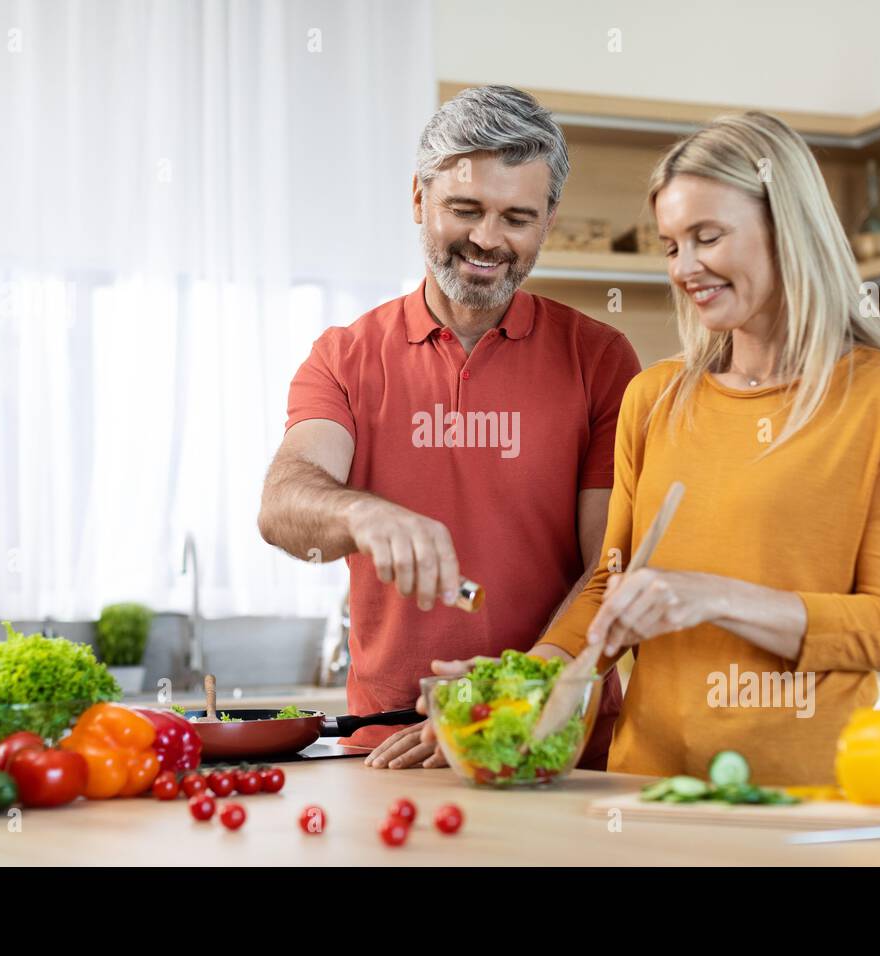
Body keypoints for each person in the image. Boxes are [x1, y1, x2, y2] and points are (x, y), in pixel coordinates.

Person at [517, 111, 880, 784]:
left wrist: (714, 597)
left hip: (806, 800)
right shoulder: (653, 399)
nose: (685, 268)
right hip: (648, 792)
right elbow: (612, 582)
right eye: (670, 245)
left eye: (707, 237)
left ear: (786, 228)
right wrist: (521, 679)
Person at [258, 86, 641, 769]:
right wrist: (359, 513)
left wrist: (509, 699)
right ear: (418, 199)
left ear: (549, 220)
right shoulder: (345, 355)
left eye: (517, 217)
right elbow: (284, 501)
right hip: (391, 749)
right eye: (465, 209)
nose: (488, 240)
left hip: (560, 746)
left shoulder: (601, 360)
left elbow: (608, 568)